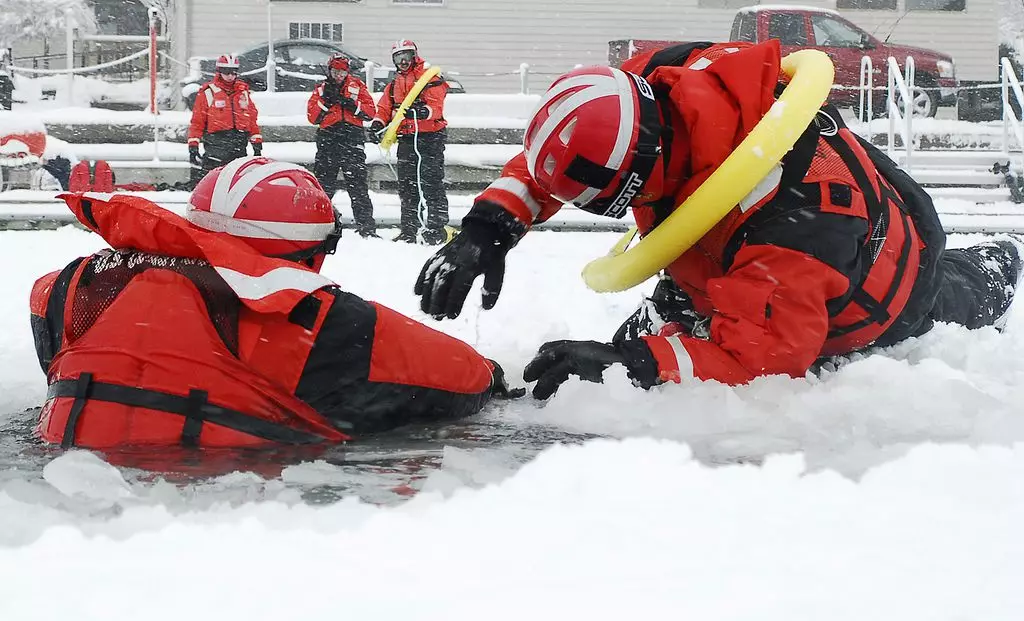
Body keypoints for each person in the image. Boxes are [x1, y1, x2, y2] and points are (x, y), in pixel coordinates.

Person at [413, 40, 1024, 399]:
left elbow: (761, 359)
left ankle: (1002, 260)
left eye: (608, 202)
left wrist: (635, 365)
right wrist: (489, 227)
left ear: (646, 164)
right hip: (716, 263)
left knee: (958, 294)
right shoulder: (658, 86)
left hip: (872, 291)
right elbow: (569, 143)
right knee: (607, 367)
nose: (608, 214)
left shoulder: (794, 220)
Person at [29, 157, 521, 449]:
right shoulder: (321, 322)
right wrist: (496, 373)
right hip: (232, 501)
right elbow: (463, 375)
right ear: (307, 251)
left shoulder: (69, 289)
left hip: (67, 479)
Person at [368, 40, 453, 245]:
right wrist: (377, 124)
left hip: (430, 138)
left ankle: (435, 228)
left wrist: (423, 112)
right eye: (398, 58)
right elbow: (384, 108)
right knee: (407, 186)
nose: (403, 61)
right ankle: (409, 229)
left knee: (430, 183)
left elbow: (436, 105)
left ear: (414, 56)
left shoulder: (430, 78)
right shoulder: (394, 84)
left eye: (406, 56)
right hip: (407, 138)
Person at [308, 53, 378, 238]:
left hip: (352, 139)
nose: (338, 76)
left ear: (347, 72)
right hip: (328, 139)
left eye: (342, 72)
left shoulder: (357, 86)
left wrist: (351, 105)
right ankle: (316, 227)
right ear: (329, 71)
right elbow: (312, 117)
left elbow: (370, 112)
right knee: (324, 187)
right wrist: (326, 103)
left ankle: (366, 228)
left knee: (358, 187)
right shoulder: (321, 89)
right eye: (335, 71)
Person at [187, 54, 263, 186]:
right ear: (219, 72)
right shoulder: (208, 92)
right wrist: (193, 144)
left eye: (233, 72)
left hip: (238, 142)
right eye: (226, 72)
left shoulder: (243, 92)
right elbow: (197, 121)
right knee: (214, 180)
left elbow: (250, 119)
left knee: (237, 180)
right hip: (216, 142)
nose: (230, 76)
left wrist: (256, 142)